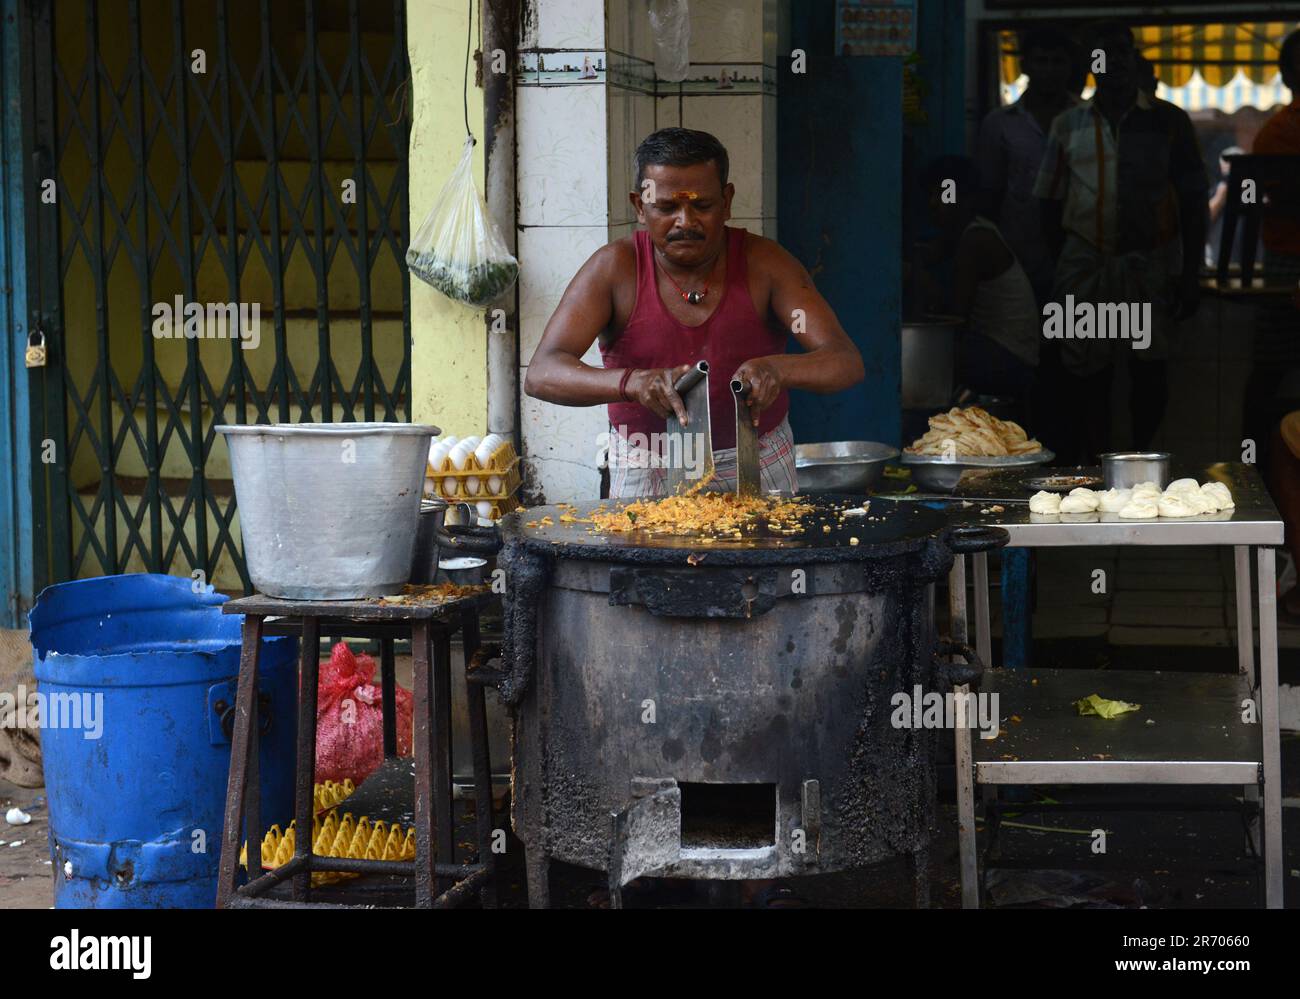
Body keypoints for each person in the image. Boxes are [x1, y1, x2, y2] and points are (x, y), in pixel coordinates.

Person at [525, 127, 865, 498]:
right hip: (646, 461)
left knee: (764, 556)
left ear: (728, 200)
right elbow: (543, 373)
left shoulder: (766, 264)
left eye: (702, 205)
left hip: (756, 459)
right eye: (666, 207)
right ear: (640, 207)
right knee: (649, 557)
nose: (685, 222)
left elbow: (843, 360)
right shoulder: (614, 269)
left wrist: (777, 369)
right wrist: (633, 383)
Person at [1034, 21, 1207, 462]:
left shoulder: (1168, 121)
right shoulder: (1067, 125)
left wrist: (1191, 274)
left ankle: (1138, 459)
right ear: (1092, 65)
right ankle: (1096, 463)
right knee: (1087, 373)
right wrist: (1066, 267)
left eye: (1125, 51)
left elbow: (1193, 200)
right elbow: (1048, 207)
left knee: (1150, 371)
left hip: (1147, 263)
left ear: (1134, 59)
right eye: (1106, 53)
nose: (1118, 61)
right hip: (1086, 263)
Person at [918, 156, 1039, 417]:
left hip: (1009, 358)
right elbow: (932, 253)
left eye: (943, 195)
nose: (934, 203)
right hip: (1008, 352)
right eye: (932, 195)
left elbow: (956, 321)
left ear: (965, 201)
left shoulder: (975, 240)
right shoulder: (968, 232)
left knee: (928, 358)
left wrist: (923, 282)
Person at [976, 25, 1078, 307]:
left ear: (1070, 67)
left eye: (1058, 61)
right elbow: (989, 195)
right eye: (1041, 61)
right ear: (1025, 65)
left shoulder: (1087, 121)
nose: (1049, 69)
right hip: (1017, 255)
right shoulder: (999, 123)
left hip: (1077, 257)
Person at [1243, 29, 1300, 473]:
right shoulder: (1276, 131)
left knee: (1267, 374)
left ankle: (1256, 470)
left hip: (1282, 262)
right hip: (1285, 261)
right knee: (1268, 372)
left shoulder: (1274, 132)